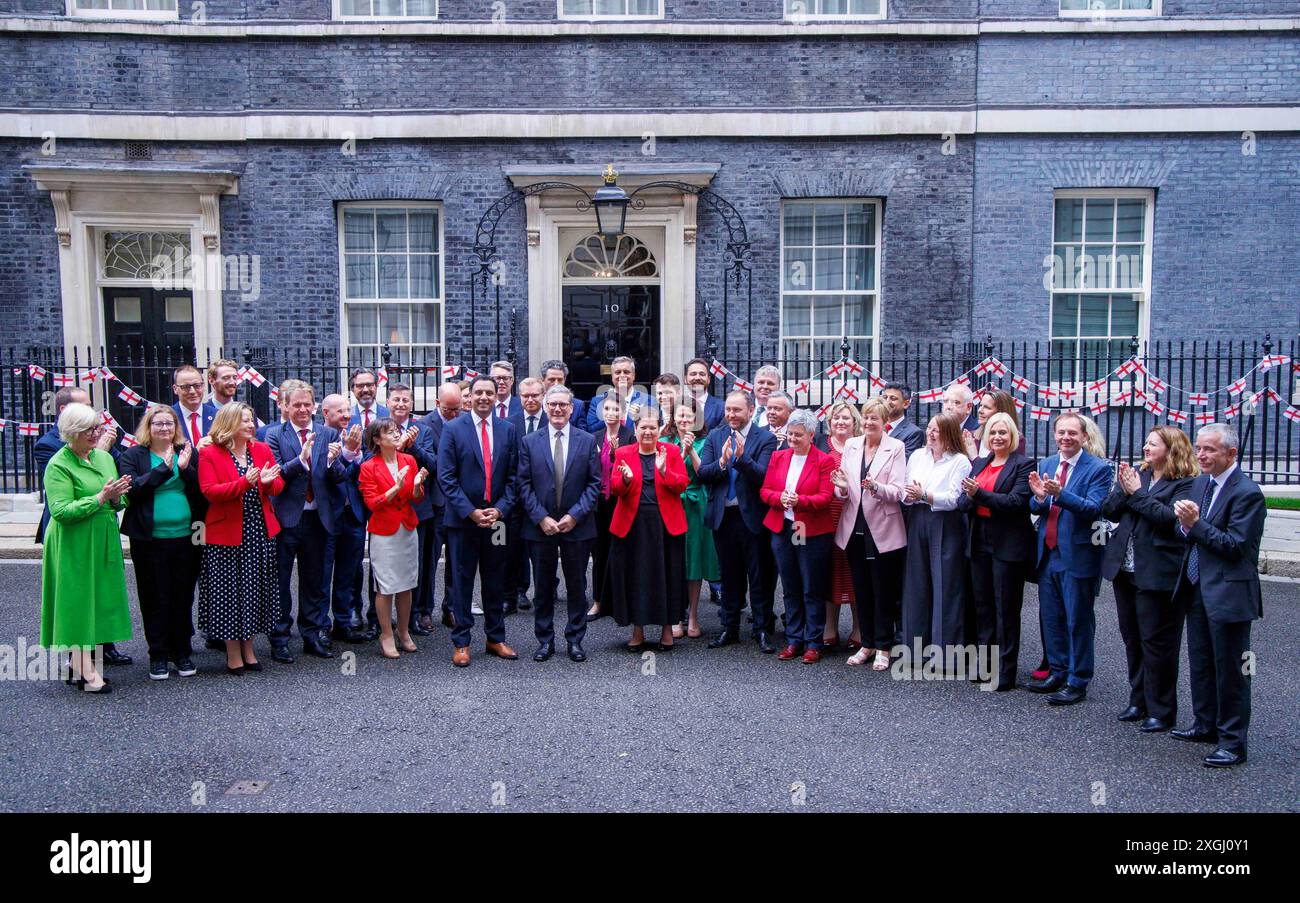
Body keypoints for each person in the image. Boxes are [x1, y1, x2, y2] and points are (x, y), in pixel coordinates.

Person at [1170, 423, 1266, 768]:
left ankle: (1233, 742)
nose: (1202, 455)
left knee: (1232, 669)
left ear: (1231, 453)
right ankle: (1205, 724)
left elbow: (1235, 547)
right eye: (1199, 448)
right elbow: (1187, 531)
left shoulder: (1247, 493)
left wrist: (1195, 524)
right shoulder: (1200, 483)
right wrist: (1184, 525)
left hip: (1228, 592)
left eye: (1209, 449)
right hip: (1197, 585)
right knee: (1201, 661)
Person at [1101, 427, 1198, 730]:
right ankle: (1138, 700)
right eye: (1145, 442)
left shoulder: (1185, 484)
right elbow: (1110, 511)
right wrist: (1124, 489)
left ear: (1172, 450)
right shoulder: (1138, 476)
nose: (1145, 447)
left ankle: (1162, 710)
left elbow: (1169, 520)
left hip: (1157, 573)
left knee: (1158, 643)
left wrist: (1136, 495)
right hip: (1125, 570)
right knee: (1132, 637)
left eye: (1152, 444)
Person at [39, 402, 132, 694]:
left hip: (102, 537)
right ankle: (88, 674)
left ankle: (77, 666)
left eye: (97, 427)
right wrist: (101, 497)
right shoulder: (58, 464)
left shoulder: (103, 458)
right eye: (89, 429)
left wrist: (117, 498)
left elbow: (120, 501)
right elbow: (61, 511)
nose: (96, 434)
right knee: (78, 604)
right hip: (73, 542)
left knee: (97, 601)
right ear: (71, 432)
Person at [1024, 412, 1112, 705]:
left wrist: (1060, 494)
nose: (1066, 438)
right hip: (1048, 552)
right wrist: (1037, 499)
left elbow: (1093, 509)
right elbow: (1038, 506)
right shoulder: (1047, 463)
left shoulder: (1098, 468)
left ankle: (1078, 679)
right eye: (1061, 432)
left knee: (1078, 620)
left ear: (1084, 437)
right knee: (1052, 617)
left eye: (1072, 433)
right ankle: (1058, 671)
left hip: (1078, 554)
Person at [438, 375, 521, 667]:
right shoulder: (452, 429)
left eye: (489, 392)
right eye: (479, 393)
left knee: (495, 579)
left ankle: (495, 637)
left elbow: (514, 477)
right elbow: (446, 477)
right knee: (462, 581)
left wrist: (499, 509)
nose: (484, 397)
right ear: (469, 397)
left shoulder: (508, 430)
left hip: (496, 521)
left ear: (496, 396)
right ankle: (462, 642)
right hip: (464, 522)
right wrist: (470, 511)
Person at [119, 405, 206, 680]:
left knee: (182, 595)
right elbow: (133, 490)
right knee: (154, 596)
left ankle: (181, 652)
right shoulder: (133, 455)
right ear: (148, 427)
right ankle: (157, 654)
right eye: (158, 424)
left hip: (187, 537)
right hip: (149, 539)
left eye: (169, 423)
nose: (165, 428)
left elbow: (201, 491)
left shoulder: (186, 452)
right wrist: (166, 470)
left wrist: (184, 469)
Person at [197, 403, 284, 675]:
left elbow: (277, 487)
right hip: (226, 535)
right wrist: (245, 482)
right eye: (244, 420)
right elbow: (210, 491)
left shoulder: (261, 450)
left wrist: (268, 482)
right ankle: (233, 653)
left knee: (255, 592)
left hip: (259, 531)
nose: (250, 425)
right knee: (229, 595)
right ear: (229, 423)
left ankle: (249, 649)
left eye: (251, 419)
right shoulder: (210, 453)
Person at [517, 385, 602, 662]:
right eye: (552, 404)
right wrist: (540, 517)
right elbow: (523, 484)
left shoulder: (587, 440)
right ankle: (545, 640)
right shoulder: (530, 441)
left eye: (563, 405)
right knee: (542, 587)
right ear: (544, 406)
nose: (557, 409)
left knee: (577, 586)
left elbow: (594, 484)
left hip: (577, 526)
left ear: (571, 408)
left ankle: (575, 640)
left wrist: (574, 515)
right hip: (540, 527)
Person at [267, 383, 350, 661]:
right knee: (280, 581)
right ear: (285, 406)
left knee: (314, 581)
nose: (303, 410)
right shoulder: (274, 435)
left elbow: (339, 477)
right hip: (288, 518)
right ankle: (279, 637)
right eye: (297, 405)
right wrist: (301, 461)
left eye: (307, 404)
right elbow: (277, 473)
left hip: (318, 517)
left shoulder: (327, 433)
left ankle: (312, 634)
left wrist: (338, 459)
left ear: (314, 406)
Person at [956, 411, 1036, 690]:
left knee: (1006, 609)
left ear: (1012, 436)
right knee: (984, 607)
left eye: (1003, 432)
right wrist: (969, 496)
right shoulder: (980, 462)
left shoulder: (1024, 465)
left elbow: (1015, 503)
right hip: (979, 540)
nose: (997, 437)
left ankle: (1006, 670)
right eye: (993, 432)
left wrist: (978, 494)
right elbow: (963, 503)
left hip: (1008, 544)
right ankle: (986, 665)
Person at [698, 390, 778, 652]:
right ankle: (729, 628)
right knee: (729, 576)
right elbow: (704, 474)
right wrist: (722, 462)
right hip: (724, 517)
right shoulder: (715, 435)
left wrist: (742, 459)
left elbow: (763, 477)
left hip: (752, 518)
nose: (731, 415)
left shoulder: (765, 438)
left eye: (737, 410)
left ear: (751, 410)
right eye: (728, 410)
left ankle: (762, 630)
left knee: (759, 576)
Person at [832, 397, 908, 671]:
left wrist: (876, 487)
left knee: (883, 591)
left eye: (874, 418)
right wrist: (840, 486)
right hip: (854, 527)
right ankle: (867, 643)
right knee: (861, 589)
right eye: (865, 418)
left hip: (883, 529)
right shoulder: (852, 445)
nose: (868, 423)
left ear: (884, 422)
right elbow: (844, 490)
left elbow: (898, 491)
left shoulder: (896, 448)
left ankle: (884, 647)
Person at [607, 408, 690, 651]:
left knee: (668, 576)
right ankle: (638, 631)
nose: (648, 431)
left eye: (653, 427)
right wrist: (626, 479)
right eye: (643, 427)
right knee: (637, 576)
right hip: (632, 525)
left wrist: (665, 471)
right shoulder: (623, 452)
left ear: (660, 429)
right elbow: (615, 489)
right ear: (635, 429)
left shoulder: (671, 451)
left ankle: (667, 631)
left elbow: (682, 485)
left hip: (665, 525)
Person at [759, 409, 835, 663]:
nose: (792, 438)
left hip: (809, 529)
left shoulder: (824, 460)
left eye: (798, 435)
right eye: (790, 434)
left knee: (811, 585)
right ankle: (794, 639)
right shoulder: (779, 457)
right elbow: (765, 491)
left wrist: (800, 500)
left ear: (811, 435)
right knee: (790, 585)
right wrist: (779, 498)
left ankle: (813, 641)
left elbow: (826, 497)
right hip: (784, 527)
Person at [900, 414, 972, 656]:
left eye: (937, 430)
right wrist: (909, 495)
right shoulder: (918, 456)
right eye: (929, 428)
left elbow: (954, 499)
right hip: (917, 517)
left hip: (945, 522)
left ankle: (945, 653)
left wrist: (924, 495)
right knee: (916, 583)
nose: (931, 433)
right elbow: (905, 485)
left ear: (949, 433)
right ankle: (916, 648)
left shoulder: (960, 461)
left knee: (945, 585)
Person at [359, 418, 428, 659]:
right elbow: (372, 503)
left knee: (407, 583)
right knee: (386, 586)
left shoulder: (408, 459)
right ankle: (386, 633)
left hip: (407, 527)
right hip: (383, 531)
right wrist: (394, 488)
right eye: (389, 432)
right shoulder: (369, 466)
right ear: (377, 440)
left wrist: (418, 485)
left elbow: (416, 497)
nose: (396, 434)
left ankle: (404, 630)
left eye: (396, 430)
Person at [387, 383, 441, 635]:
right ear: (388, 403)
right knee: (386, 564)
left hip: (419, 509)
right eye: (396, 399)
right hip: (387, 508)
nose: (400, 404)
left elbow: (434, 465)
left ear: (412, 404)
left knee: (419, 564)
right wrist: (396, 447)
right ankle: (383, 617)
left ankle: (419, 612)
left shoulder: (425, 430)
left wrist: (413, 446)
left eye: (405, 400)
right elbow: (369, 462)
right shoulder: (379, 428)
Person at [663, 398, 718, 638]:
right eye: (680, 416)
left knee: (694, 560)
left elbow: (704, 474)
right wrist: (680, 451)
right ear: (674, 418)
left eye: (689, 416)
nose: (684, 420)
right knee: (675, 560)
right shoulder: (664, 441)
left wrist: (691, 451)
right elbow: (663, 476)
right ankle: (676, 616)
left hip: (696, 503)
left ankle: (694, 615)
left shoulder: (707, 441)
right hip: (673, 503)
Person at [319, 394, 368, 644]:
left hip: (355, 514)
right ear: (326, 413)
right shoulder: (319, 437)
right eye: (340, 411)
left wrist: (358, 455)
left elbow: (365, 470)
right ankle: (321, 625)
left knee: (348, 572)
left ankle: (343, 621)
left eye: (348, 410)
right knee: (323, 573)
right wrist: (348, 454)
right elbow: (327, 474)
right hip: (328, 515)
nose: (346, 415)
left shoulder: (358, 436)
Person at [816, 401, 862, 650]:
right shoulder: (821, 444)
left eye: (845, 418)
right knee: (830, 571)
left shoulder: (861, 446)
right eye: (835, 418)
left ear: (854, 422)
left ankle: (858, 627)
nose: (840, 422)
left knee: (854, 572)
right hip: (826, 515)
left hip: (854, 515)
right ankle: (830, 627)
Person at [588, 394, 635, 621]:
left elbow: (632, 469)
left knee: (621, 552)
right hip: (599, 503)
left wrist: (617, 454)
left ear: (622, 413)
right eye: (607, 409)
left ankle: (620, 601)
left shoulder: (630, 436)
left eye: (615, 410)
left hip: (621, 501)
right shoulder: (594, 437)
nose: (611, 414)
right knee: (599, 553)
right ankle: (598, 601)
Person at [505, 377, 546, 614]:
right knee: (510, 549)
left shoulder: (551, 421)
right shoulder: (510, 424)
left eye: (535, 395)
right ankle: (513, 594)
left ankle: (543, 594)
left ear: (542, 395)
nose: (530, 400)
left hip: (542, 499)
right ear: (519, 396)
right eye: (525, 396)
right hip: (515, 500)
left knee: (540, 552)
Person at [584, 355, 651, 431]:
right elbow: (591, 430)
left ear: (633, 376)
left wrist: (639, 419)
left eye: (626, 372)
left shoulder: (647, 401)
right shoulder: (597, 401)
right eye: (618, 372)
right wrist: (608, 417)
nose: (622, 375)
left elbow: (652, 429)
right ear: (612, 376)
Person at [964, 390, 1021, 458]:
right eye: (981, 405)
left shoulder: (1016, 439)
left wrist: (975, 458)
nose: (980, 410)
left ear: (1001, 412)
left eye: (987, 407)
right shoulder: (972, 436)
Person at [172, 364, 217, 447]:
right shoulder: (168, 417)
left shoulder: (217, 416)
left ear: (203, 386)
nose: (192, 391)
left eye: (197, 386)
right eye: (186, 387)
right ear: (175, 389)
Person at [881, 382, 924, 457]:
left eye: (893, 398)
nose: (887, 402)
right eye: (885, 397)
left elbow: (904, 462)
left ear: (905, 404)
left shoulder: (914, 433)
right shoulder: (875, 426)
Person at [540, 359, 587, 426]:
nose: (556, 384)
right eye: (552, 380)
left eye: (559, 380)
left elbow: (582, 434)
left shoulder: (578, 405)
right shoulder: (535, 403)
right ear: (542, 380)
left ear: (564, 380)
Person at [683, 357, 726, 430]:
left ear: (708, 380)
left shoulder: (721, 408)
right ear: (685, 379)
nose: (697, 378)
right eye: (693, 374)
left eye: (702, 374)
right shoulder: (677, 406)